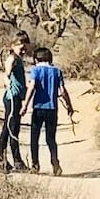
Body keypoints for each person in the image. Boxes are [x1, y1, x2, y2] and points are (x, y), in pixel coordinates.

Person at [20, 46, 75, 176]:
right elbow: (63, 91)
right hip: (52, 109)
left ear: (36, 59)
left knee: (34, 137)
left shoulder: (35, 71)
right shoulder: (57, 71)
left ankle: (35, 165)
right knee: (51, 138)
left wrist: (25, 105)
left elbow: (32, 87)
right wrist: (69, 105)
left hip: (38, 108)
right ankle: (55, 163)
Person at [0, 30, 31, 172]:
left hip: (16, 98)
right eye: (21, 47)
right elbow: (6, 74)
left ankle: (6, 161)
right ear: (13, 45)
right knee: (11, 129)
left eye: (25, 48)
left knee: (9, 128)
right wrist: (6, 81)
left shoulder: (18, 59)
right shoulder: (12, 59)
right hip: (12, 98)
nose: (23, 50)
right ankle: (14, 161)